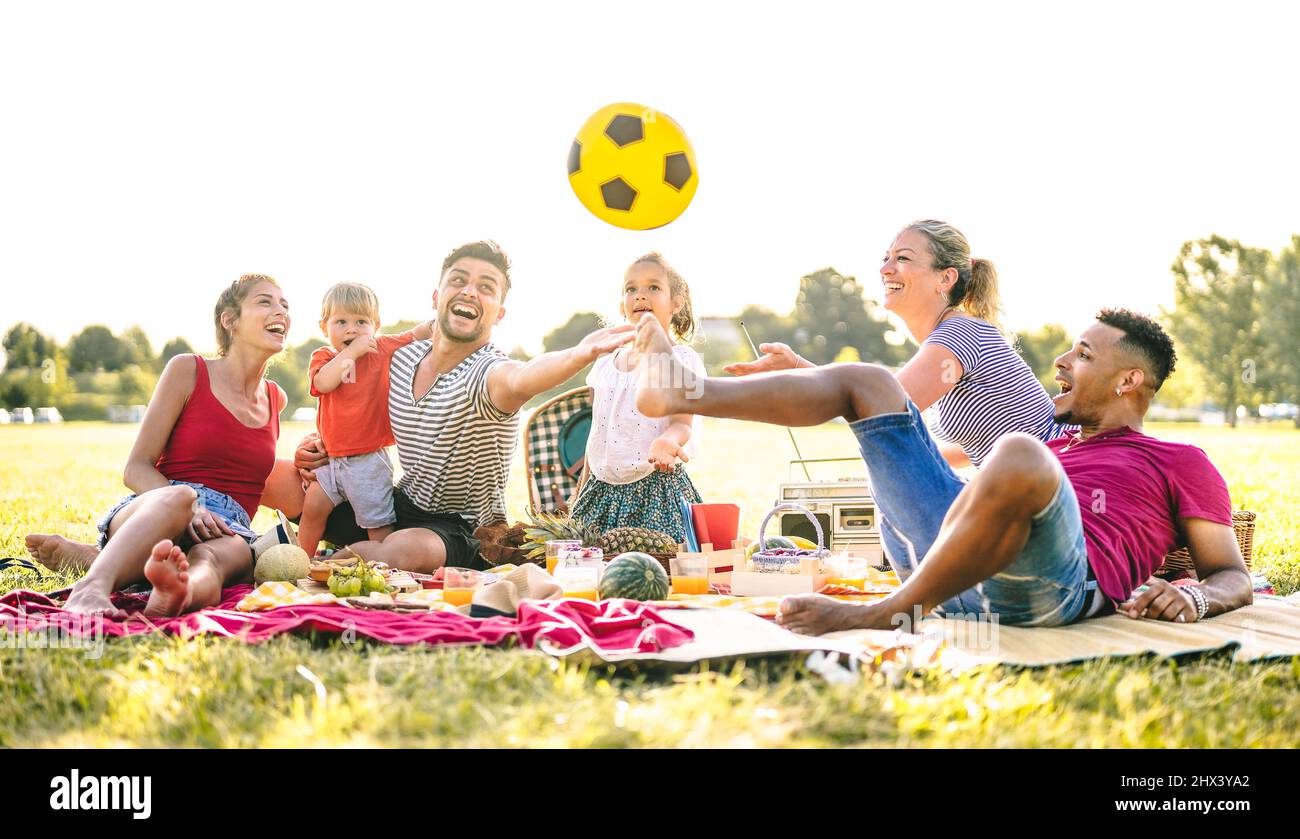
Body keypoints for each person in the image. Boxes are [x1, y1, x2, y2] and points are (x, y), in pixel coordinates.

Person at [631, 307, 1253, 632]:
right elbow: (912, 434)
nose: (1061, 361)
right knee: (870, 382)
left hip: (1050, 587)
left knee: (1016, 451)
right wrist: (804, 370)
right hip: (945, 552)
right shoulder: (1052, 440)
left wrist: (1195, 596)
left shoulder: (1179, 460)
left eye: (1083, 354)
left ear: (1129, 381)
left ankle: (892, 611)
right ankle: (683, 389)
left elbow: (1231, 574)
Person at [292, 240, 633, 572]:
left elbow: (523, 377)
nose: (469, 291)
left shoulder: (487, 372)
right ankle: (318, 551)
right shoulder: (399, 358)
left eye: (485, 286)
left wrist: (578, 355)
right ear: (437, 296)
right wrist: (320, 443)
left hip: (458, 530)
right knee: (281, 478)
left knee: (403, 550)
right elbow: (351, 401)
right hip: (397, 504)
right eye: (458, 280)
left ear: (498, 313)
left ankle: (317, 563)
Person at [27, 275, 291, 617]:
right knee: (180, 499)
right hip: (160, 505)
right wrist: (192, 507)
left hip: (229, 527)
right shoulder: (187, 370)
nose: (281, 311)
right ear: (230, 320)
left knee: (212, 560)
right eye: (266, 302)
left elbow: (247, 466)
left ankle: (175, 593)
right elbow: (136, 467)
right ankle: (90, 588)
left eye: (285, 305)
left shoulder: (276, 399)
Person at [725, 219, 1071, 469]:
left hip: (1068, 474)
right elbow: (967, 447)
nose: (886, 269)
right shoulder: (943, 344)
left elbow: (876, 404)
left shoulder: (958, 335)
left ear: (945, 278)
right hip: (1040, 478)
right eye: (886, 258)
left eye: (902, 258)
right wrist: (798, 367)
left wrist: (794, 372)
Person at [568, 252, 705, 543]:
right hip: (601, 491)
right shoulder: (606, 360)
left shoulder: (680, 359)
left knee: (655, 569)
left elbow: (684, 422)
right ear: (622, 305)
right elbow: (600, 430)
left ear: (676, 303)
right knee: (591, 568)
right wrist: (583, 485)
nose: (640, 295)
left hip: (654, 488)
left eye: (653, 287)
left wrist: (668, 440)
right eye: (631, 289)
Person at [295, 282, 433, 558]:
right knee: (312, 509)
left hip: (368, 461)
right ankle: (301, 562)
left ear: (376, 326)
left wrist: (438, 321)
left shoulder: (380, 349)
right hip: (331, 461)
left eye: (361, 322)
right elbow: (323, 383)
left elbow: (415, 334)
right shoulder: (324, 357)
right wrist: (351, 352)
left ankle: (381, 568)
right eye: (341, 321)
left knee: (378, 525)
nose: (352, 329)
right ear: (324, 327)